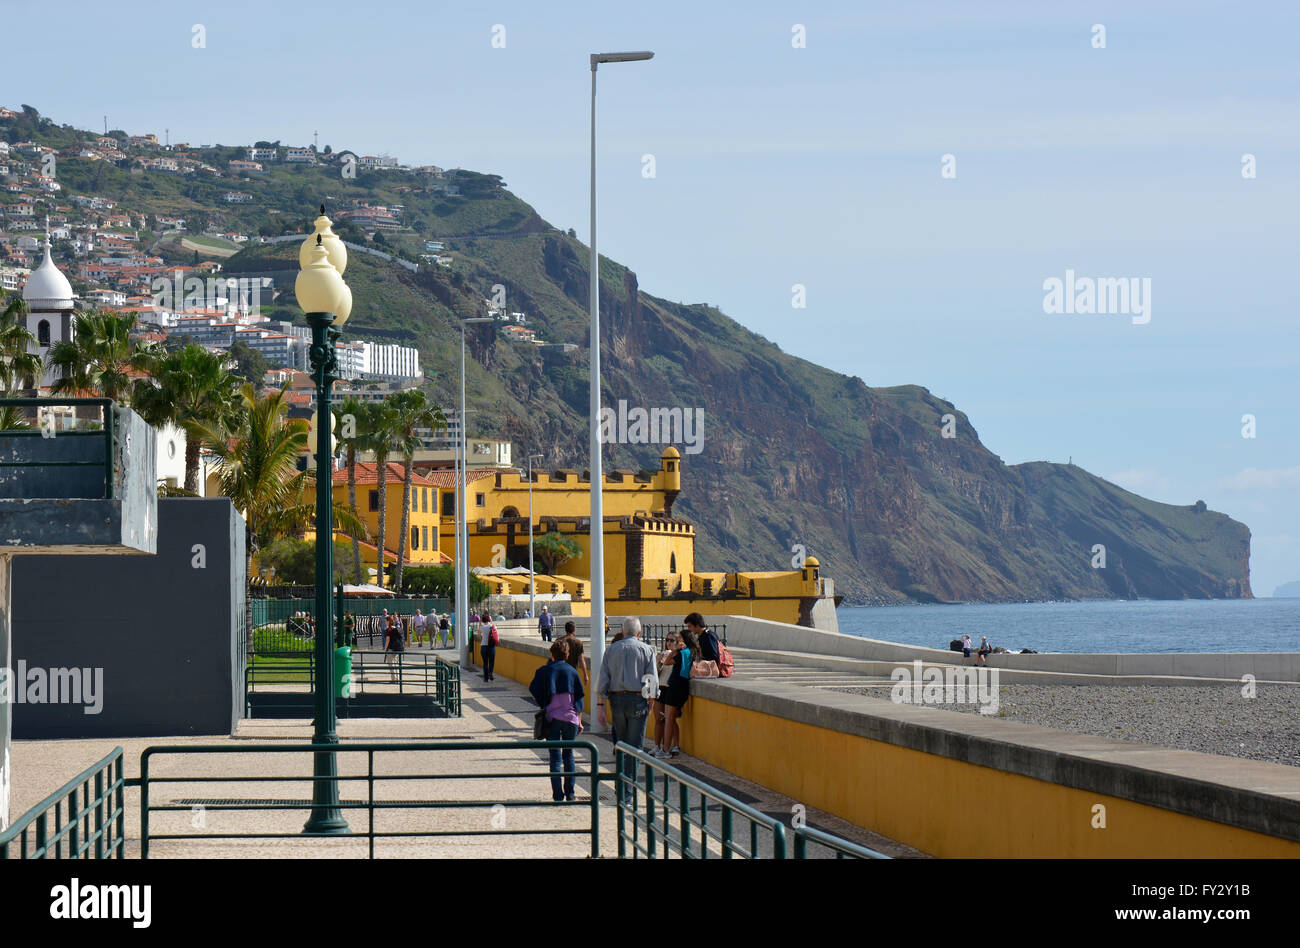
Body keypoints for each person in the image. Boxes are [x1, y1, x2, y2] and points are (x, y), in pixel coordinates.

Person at [598, 617, 657, 802]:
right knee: (635, 747)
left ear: (623, 631)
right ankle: (627, 791)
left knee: (621, 744)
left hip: (616, 700)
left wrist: (600, 705)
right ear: (639, 633)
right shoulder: (647, 649)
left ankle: (620, 784)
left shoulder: (611, 650)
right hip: (638, 700)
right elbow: (651, 681)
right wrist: (650, 702)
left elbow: (603, 680)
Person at [529, 640, 585, 802]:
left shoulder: (545, 671)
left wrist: (544, 703)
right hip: (571, 719)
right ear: (567, 655)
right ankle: (571, 793)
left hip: (551, 718)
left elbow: (534, 689)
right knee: (569, 755)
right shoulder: (572, 672)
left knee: (555, 757)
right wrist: (579, 720)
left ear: (551, 654)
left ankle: (558, 795)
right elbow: (579, 699)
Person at [658, 629, 695, 758]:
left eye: (679, 639)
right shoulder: (690, 652)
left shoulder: (682, 653)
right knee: (670, 719)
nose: (677, 641)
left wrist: (674, 650)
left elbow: (667, 662)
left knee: (668, 719)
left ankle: (666, 749)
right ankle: (668, 747)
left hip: (675, 687)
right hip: (681, 687)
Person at [650, 631, 678, 756]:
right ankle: (657, 745)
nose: (669, 643)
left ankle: (675, 745)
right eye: (667, 640)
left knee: (670, 720)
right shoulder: (661, 655)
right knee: (658, 719)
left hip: (671, 688)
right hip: (660, 687)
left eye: (672, 640)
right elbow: (654, 672)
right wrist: (659, 661)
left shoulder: (677, 655)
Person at [561, 620, 589, 691]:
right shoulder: (578, 642)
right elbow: (581, 659)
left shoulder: (559, 641)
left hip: (560, 672)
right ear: (574, 630)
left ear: (565, 629)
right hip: (572, 672)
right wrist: (585, 675)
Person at [384, 614, 405, 681]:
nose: (385, 622)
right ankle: (398, 678)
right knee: (396, 664)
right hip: (397, 648)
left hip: (390, 648)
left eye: (386, 621)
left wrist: (385, 649)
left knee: (391, 664)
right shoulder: (395, 628)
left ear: (388, 621)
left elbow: (387, 639)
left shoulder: (388, 629)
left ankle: (393, 679)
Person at [479, 614, 497, 681]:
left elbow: (479, 634)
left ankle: (486, 678)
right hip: (491, 646)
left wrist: (480, 623)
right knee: (491, 661)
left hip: (484, 646)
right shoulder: (492, 626)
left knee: (485, 662)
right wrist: (491, 621)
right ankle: (490, 672)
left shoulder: (482, 627)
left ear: (483, 620)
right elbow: (495, 632)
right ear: (489, 620)